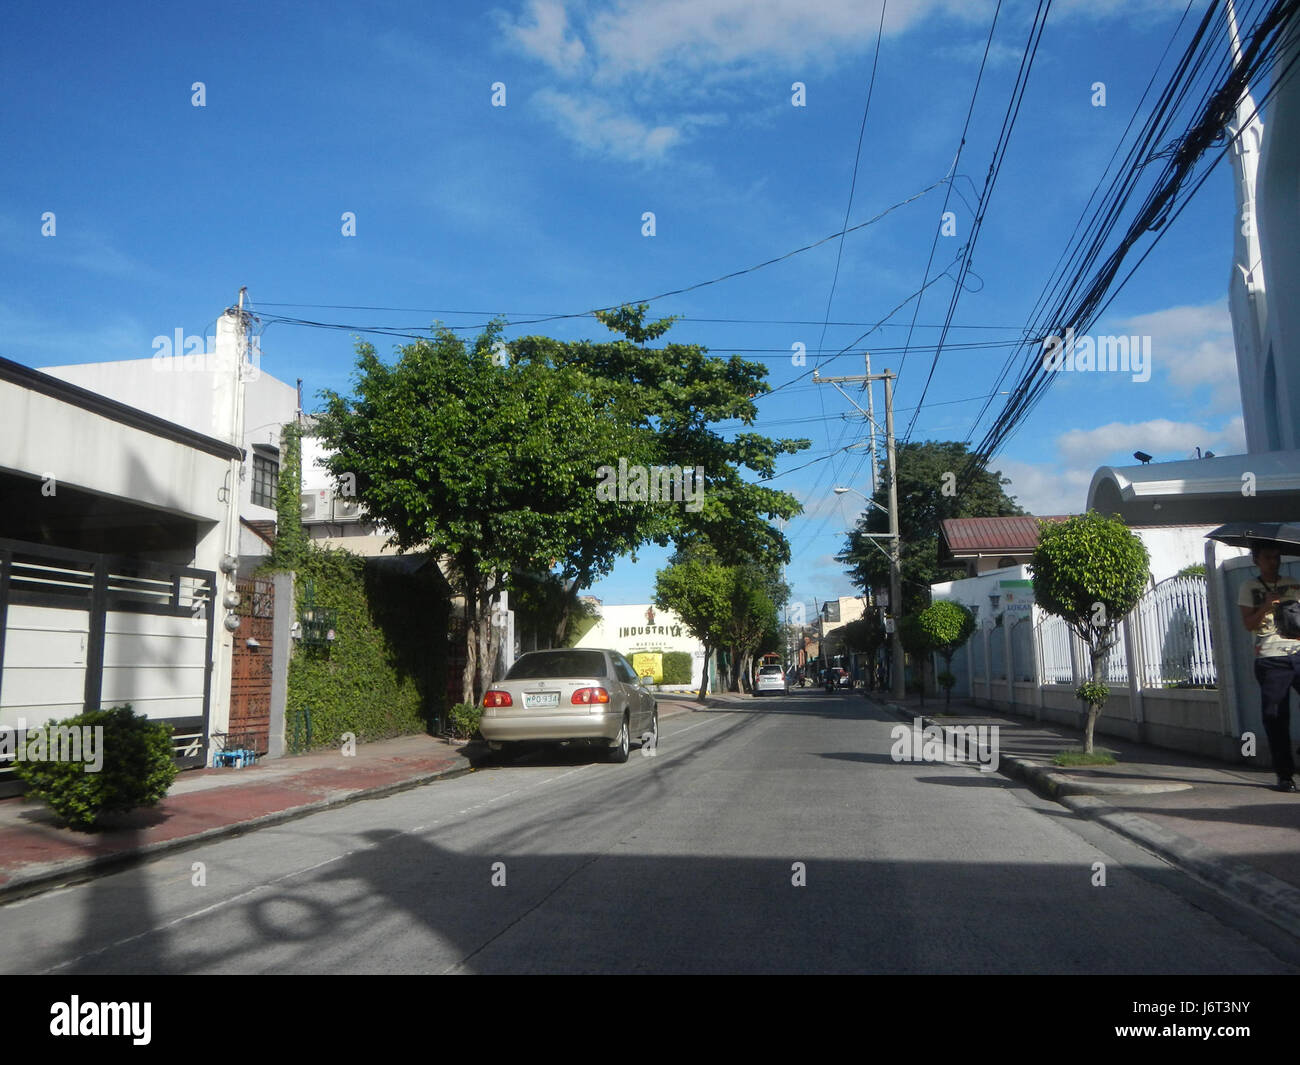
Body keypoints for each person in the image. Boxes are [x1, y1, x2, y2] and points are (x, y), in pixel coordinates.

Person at [1238, 543, 1300, 791]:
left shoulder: (1294, 584)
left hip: (1297, 652)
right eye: (1267, 558)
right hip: (1269, 658)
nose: (1273, 562)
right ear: (1256, 560)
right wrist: (1265, 606)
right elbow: (1248, 624)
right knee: (1276, 717)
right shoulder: (1248, 587)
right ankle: (1284, 775)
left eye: (1276, 558)